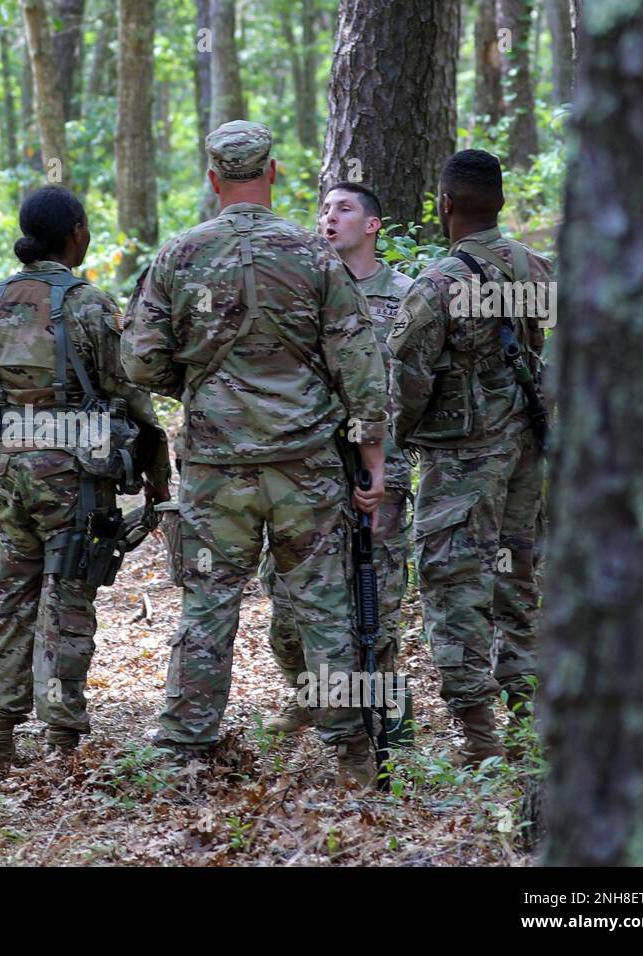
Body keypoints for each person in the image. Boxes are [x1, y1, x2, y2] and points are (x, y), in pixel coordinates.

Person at [121, 121, 390, 786]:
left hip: (217, 469)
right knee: (322, 606)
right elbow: (359, 364)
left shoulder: (179, 257)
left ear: (212, 179)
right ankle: (352, 756)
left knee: (209, 604)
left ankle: (181, 751)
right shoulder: (316, 257)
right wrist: (373, 459)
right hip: (305, 466)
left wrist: (200, 384)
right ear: (274, 174)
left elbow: (141, 359)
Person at [0, 186, 170, 775]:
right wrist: (157, 474)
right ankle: (60, 742)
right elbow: (130, 390)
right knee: (69, 602)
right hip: (73, 475)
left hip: (13, 471)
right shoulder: (87, 304)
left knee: (16, 600)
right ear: (75, 233)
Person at [388, 149, 551, 764]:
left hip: (462, 462)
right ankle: (527, 721)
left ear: (445, 204)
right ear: (502, 204)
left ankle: (480, 738)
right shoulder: (537, 269)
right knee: (517, 580)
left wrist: (382, 448)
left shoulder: (437, 285)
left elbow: (402, 382)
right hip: (526, 454)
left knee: (454, 584)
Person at [265, 182, 416, 735]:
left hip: (382, 469)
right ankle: (314, 695)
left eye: (344, 209)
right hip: (303, 471)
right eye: (324, 208)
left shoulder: (407, 295)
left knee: (379, 610)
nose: (330, 217)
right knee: (286, 611)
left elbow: (424, 382)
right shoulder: (300, 291)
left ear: (372, 225)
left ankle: (385, 729)